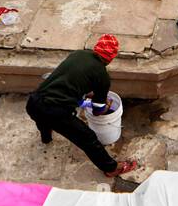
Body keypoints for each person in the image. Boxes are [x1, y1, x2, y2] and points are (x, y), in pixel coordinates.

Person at [26, 34, 137, 178]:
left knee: (42, 118)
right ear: (111, 58)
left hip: (34, 101)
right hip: (55, 111)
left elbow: (69, 80)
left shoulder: (78, 54)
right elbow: (97, 112)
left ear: (97, 47)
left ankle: (46, 138)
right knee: (88, 138)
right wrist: (106, 104)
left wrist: (85, 94)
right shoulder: (102, 76)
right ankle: (110, 168)